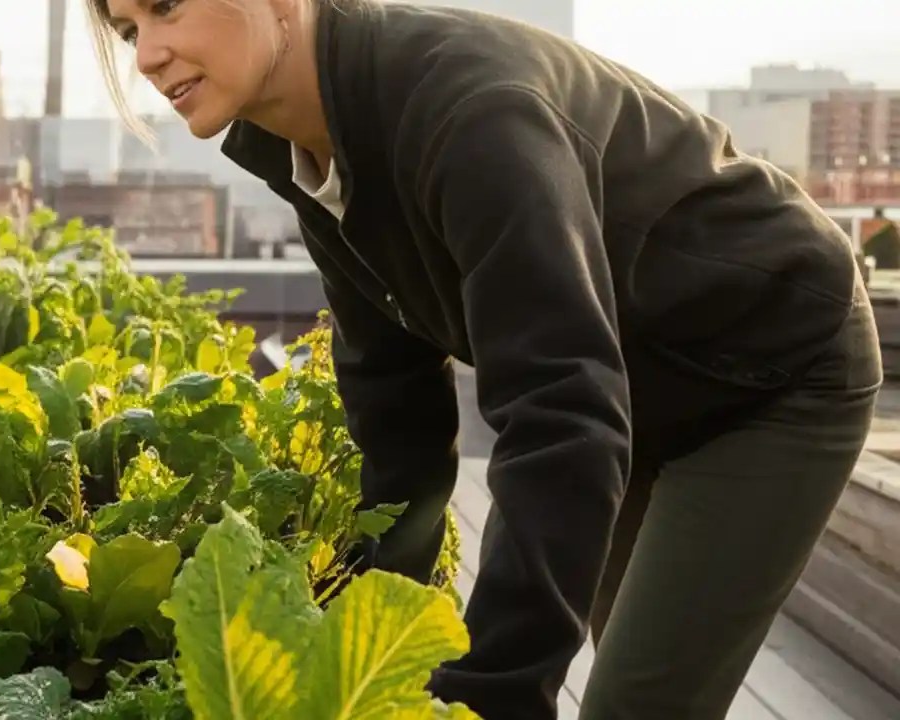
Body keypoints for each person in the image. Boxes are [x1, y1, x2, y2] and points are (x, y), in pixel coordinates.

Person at [85, 0, 884, 718]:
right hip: (631, 376)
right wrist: (370, 644)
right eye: (128, 30)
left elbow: (559, 414)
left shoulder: (468, 111)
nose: (147, 54)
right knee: (632, 659)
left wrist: (487, 698)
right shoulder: (308, 145)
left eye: (165, 6)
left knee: (639, 704)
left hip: (768, 361)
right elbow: (393, 399)